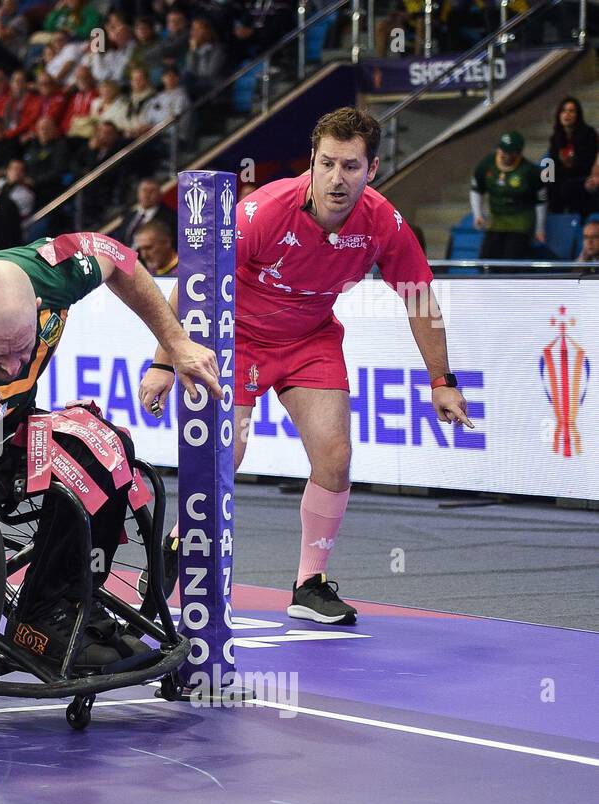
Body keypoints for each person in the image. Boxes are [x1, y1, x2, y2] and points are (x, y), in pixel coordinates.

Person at [140, 107, 470, 626]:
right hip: (236, 339)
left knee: (335, 458)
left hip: (310, 337)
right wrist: (164, 359)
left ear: (373, 169)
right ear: (312, 163)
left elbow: (420, 299)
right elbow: (194, 278)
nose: (338, 179)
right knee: (231, 451)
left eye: (351, 167)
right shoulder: (265, 210)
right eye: (328, 164)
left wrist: (441, 380)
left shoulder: (383, 223)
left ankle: (309, 584)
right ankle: (179, 544)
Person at [0, 231, 220, 724]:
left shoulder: (52, 269)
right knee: (64, 480)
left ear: (39, 306)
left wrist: (173, 343)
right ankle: (38, 621)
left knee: (107, 449)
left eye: (21, 350)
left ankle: (69, 603)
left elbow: (120, 259)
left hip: (15, 424)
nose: (11, 367)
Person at [470, 130, 546, 262]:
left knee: (509, 261)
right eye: (501, 149)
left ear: (518, 153)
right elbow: (476, 189)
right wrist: (478, 214)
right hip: (496, 221)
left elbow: (541, 201)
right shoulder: (487, 164)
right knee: (485, 260)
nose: (503, 154)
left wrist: (539, 228)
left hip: (520, 223)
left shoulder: (530, 171)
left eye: (508, 152)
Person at [546, 97, 598, 217]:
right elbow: (553, 164)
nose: (567, 114)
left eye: (571, 111)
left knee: (567, 187)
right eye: (564, 111)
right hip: (564, 178)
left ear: (577, 115)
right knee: (549, 183)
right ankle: (556, 220)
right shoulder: (556, 138)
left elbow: (585, 164)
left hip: (584, 177)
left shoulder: (588, 134)